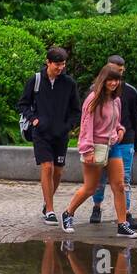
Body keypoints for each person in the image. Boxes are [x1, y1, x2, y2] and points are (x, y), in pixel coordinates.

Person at [58, 64, 137, 238]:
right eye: (110, 79)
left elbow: (116, 122)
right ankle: (68, 213)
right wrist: (87, 149)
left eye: (116, 80)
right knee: (90, 188)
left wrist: (120, 130)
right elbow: (86, 126)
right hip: (95, 147)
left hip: (113, 147)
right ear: (103, 80)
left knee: (119, 186)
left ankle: (122, 224)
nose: (113, 83)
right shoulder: (93, 99)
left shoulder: (116, 100)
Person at [17, 47, 81, 226]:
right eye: (57, 65)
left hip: (61, 135)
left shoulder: (69, 83)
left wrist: (68, 126)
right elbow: (23, 104)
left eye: (63, 64)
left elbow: (76, 110)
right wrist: (34, 120)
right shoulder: (35, 80)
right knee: (47, 167)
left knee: (58, 171)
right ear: (48, 62)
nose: (60, 68)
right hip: (41, 133)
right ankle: (51, 211)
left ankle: (47, 202)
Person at [91, 54, 137, 227]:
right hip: (102, 141)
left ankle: (125, 214)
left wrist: (135, 143)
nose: (114, 77)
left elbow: (134, 118)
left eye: (118, 72)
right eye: (111, 71)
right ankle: (96, 207)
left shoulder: (130, 91)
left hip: (125, 140)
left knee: (124, 179)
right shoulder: (95, 91)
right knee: (99, 179)